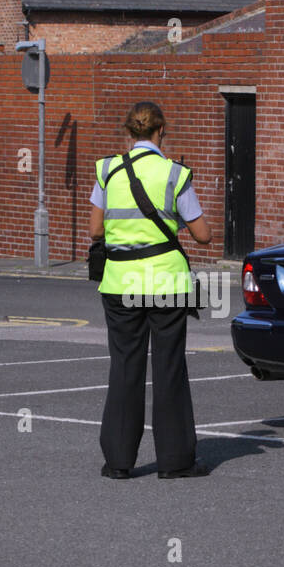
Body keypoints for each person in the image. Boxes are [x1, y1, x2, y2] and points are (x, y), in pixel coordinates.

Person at [89, 101, 213, 480]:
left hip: (120, 283)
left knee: (125, 367)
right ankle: (175, 462)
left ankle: (118, 462)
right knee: (168, 368)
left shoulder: (108, 170)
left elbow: (95, 230)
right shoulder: (174, 174)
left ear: (129, 133)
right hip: (166, 284)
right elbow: (204, 236)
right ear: (161, 131)